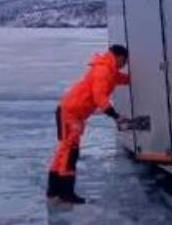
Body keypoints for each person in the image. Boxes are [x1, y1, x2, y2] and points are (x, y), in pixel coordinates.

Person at [47, 44, 130, 204]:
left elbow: (123, 79)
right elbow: (99, 98)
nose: (124, 65)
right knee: (70, 152)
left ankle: (54, 191)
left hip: (74, 113)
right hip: (70, 113)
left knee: (65, 151)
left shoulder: (109, 70)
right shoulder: (103, 71)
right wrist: (116, 116)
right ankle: (65, 194)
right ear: (119, 57)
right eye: (125, 61)